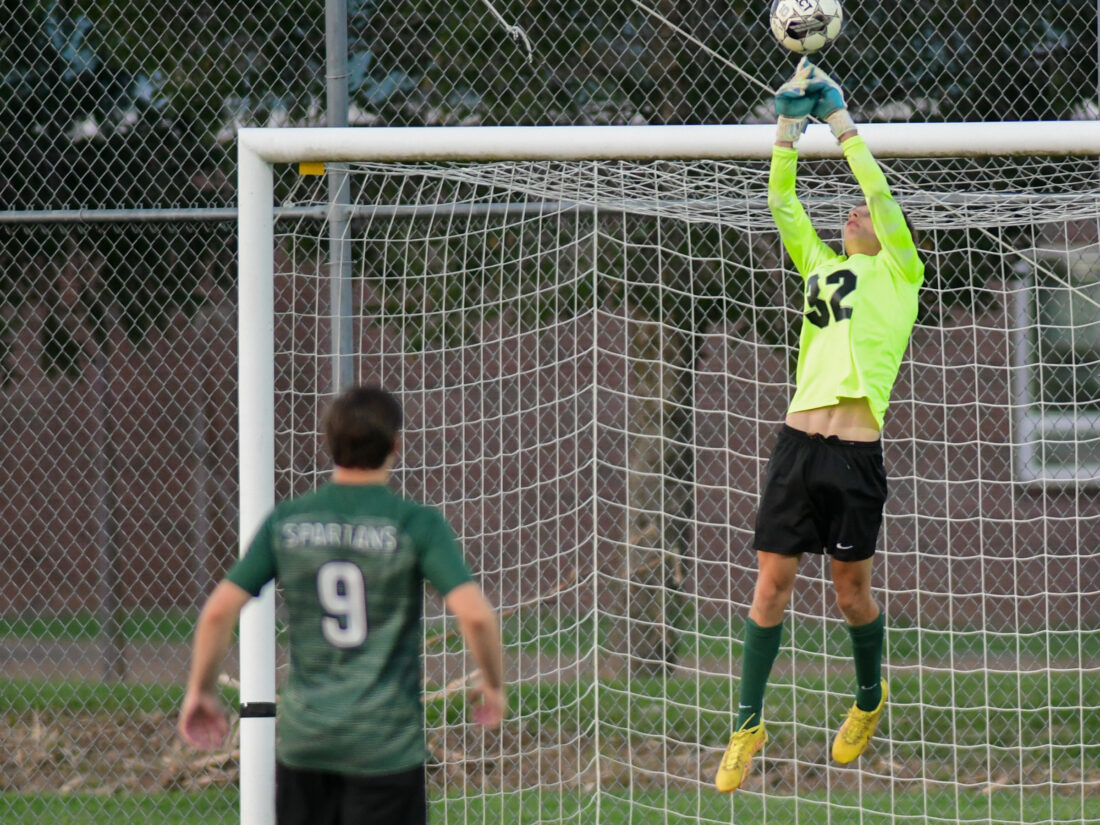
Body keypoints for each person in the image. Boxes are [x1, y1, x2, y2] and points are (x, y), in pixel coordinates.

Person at [715, 59, 924, 793]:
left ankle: (870, 695)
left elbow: (878, 192)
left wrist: (840, 123)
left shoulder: (901, 273)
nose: (855, 212)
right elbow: (782, 201)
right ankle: (746, 721)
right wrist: (785, 127)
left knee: (848, 591)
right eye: (852, 212)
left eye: (865, 213)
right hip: (797, 445)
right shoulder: (819, 266)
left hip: (855, 458)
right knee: (770, 585)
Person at [178, 384, 506, 824]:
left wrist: (200, 689)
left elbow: (218, 611)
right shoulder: (415, 523)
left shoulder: (288, 520)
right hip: (385, 748)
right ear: (396, 445)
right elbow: (477, 615)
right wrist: (492, 682)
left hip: (306, 746)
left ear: (328, 444)